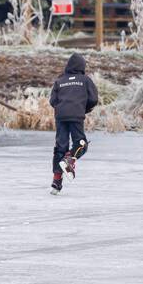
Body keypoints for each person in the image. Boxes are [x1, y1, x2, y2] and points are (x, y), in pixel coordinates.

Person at [49, 52, 98, 196]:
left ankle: (56, 182)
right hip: (76, 116)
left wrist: (62, 108)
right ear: (82, 66)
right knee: (81, 144)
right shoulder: (85, 80)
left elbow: (52, 101)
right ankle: (68, 160)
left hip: (60, 116)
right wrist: (84, 108)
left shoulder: (60, 80)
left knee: (60, 147)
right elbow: (94, 99)